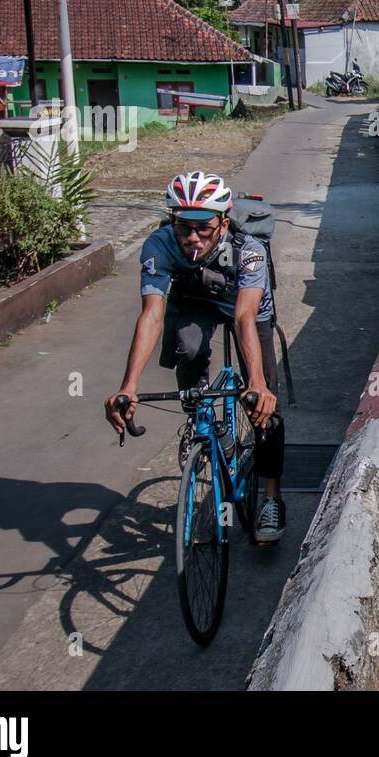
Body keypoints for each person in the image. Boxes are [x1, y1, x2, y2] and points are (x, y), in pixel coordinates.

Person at [104, 171, 286, 542]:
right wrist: (128, 386)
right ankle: (199, 420)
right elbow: (152, 314)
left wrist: (256, 383)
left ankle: (271, 498)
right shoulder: (159, 244)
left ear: (223, 220)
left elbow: (244, 317)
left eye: (203, 228)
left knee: (265, 404)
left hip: (245, 306)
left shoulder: (248, 249)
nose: (192, 238)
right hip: (197, 300)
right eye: (183, 227)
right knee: (186, 346)